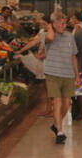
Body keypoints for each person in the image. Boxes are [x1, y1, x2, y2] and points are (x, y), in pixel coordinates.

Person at [32, 11, 78, 144]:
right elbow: (45, 41)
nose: (64, 26)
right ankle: (60, 131)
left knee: (67, 103)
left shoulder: (70, 37)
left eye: (65, 23)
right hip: (52, 73)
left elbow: (73, 56)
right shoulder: (47, 36)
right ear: (55, 24)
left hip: (68, 73)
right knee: (57, 102)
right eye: (62, 24)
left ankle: (56, 124)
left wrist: (77, 75)